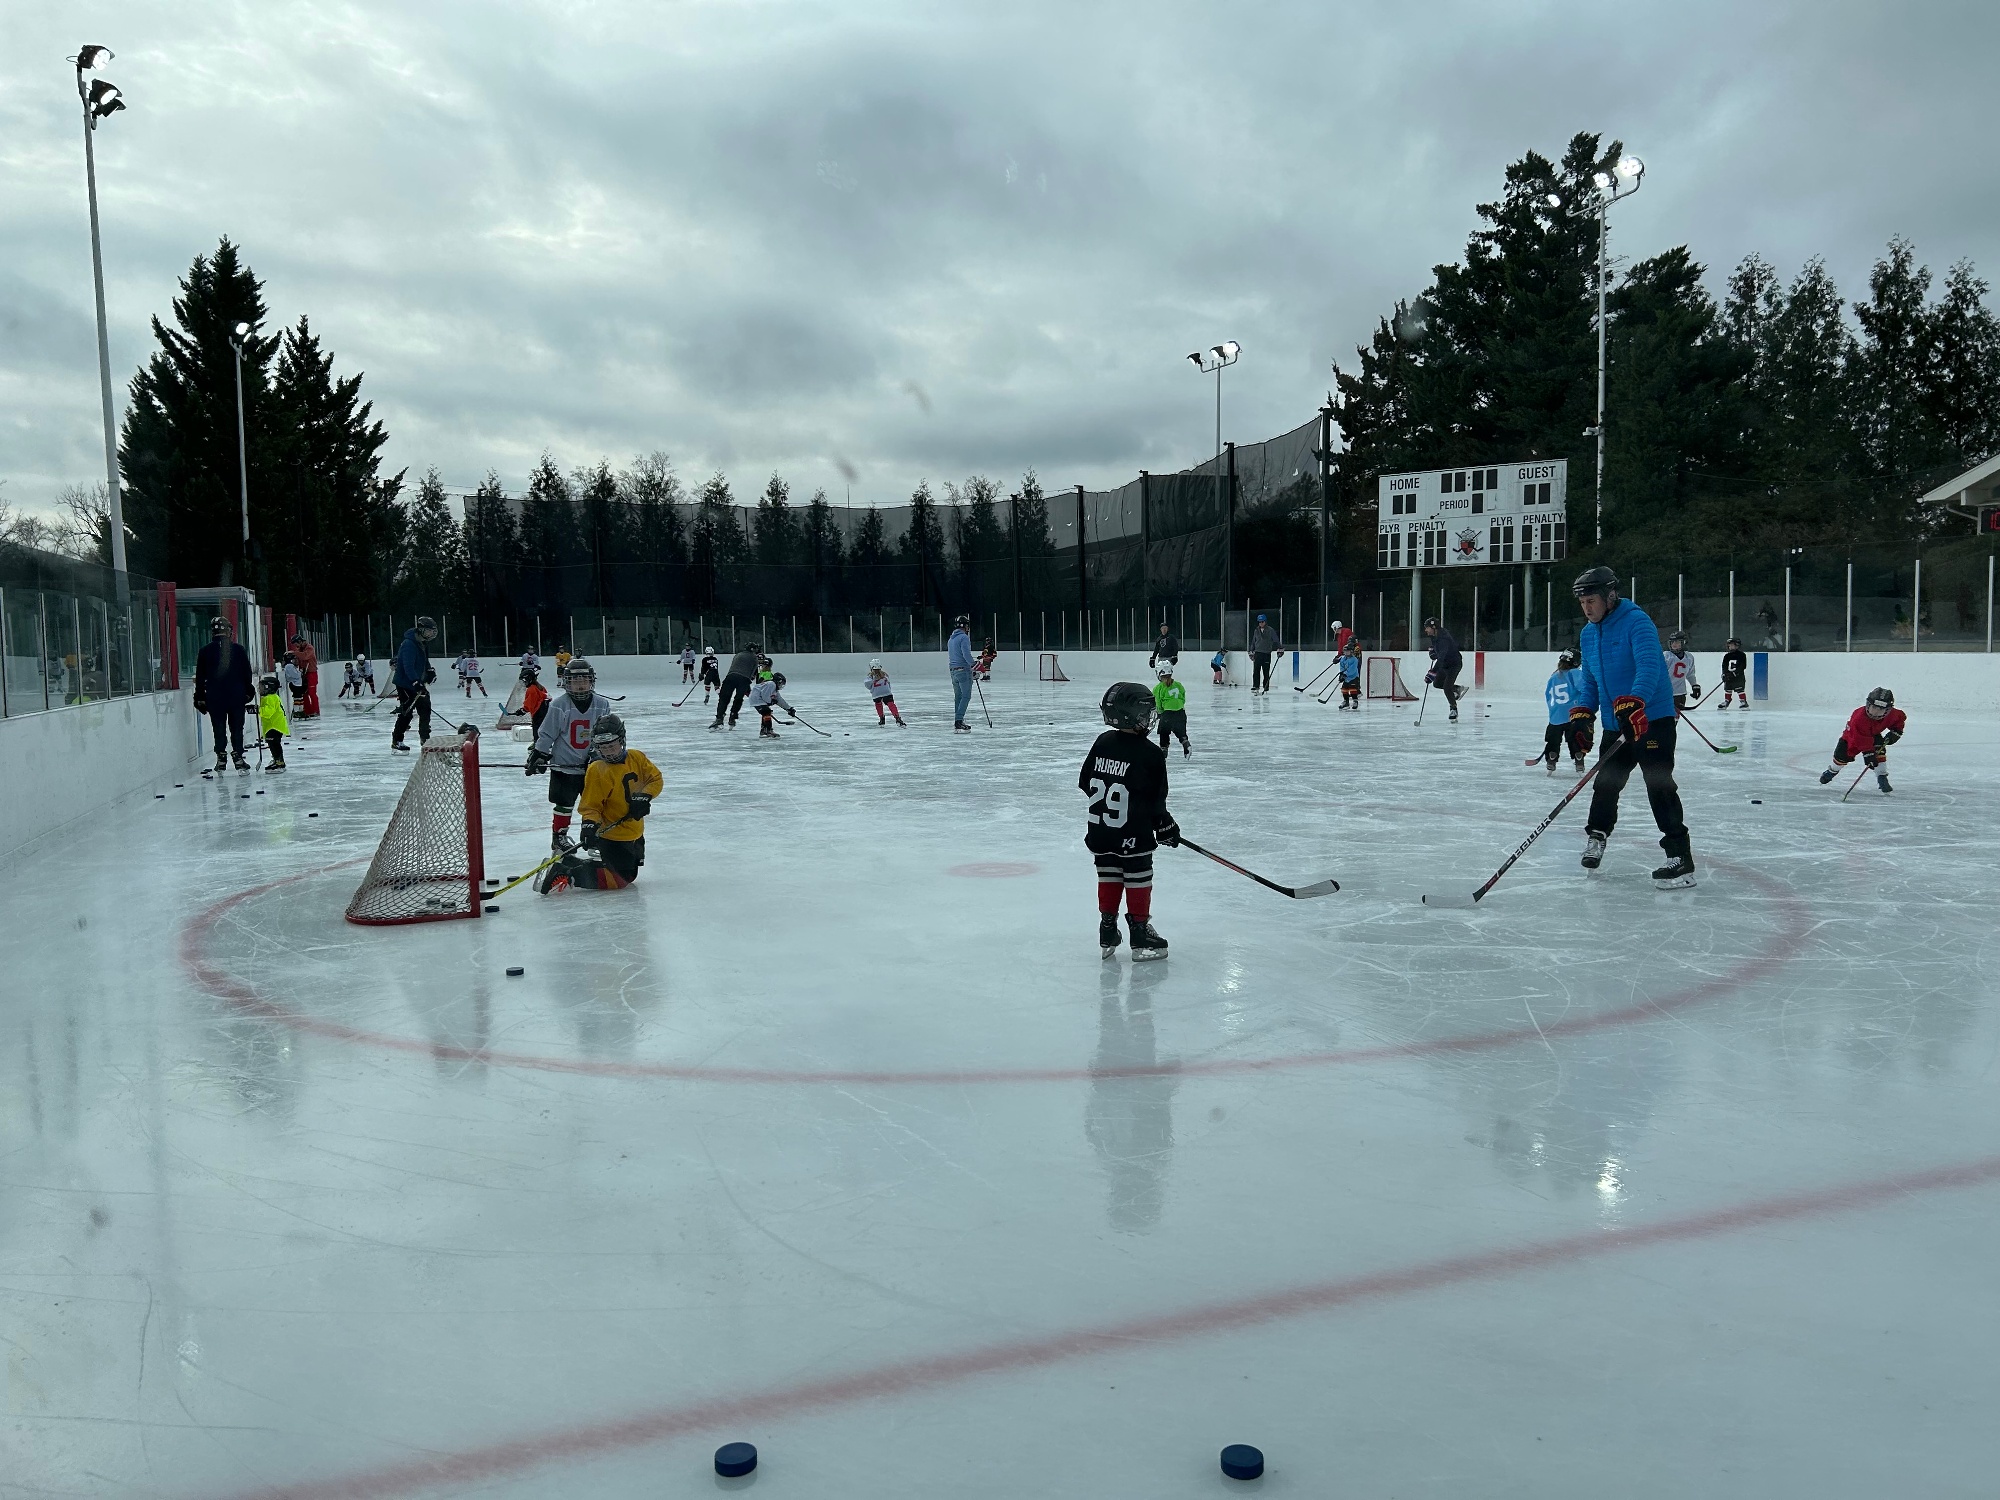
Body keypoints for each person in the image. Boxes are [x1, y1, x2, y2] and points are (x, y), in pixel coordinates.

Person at [1566, 566, 1693, 888]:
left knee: (1659, 785)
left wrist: (1635, 701)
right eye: (1582, 603)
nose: (1587, 608)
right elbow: (1591, 681)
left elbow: (1650, 667)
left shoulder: (1637, 622)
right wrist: (1583, 712)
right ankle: (1597, 836)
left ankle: (1680, 857)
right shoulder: (1588, 633)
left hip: (1652, 719)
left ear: (1610, 597)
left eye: (1591, 601)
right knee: (1606, 784)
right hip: (1616, 721)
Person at [1080, 682, 1177, 960]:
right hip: (1133, 834)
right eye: (1145, 713)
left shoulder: (1102, 742)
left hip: (1100, 831)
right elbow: (1156, 803)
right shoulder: (1150, 753)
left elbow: (1085, 782)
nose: (1149, 718)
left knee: (1108, 873)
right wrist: (1166, 828)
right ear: (1132, 715)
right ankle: (1140, 933)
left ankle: (1107, 929)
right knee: (1138, 876)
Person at [537, 715, 663, 894]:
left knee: (629, 874)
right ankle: (567, 873)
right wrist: (589, 825)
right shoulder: (597, 769)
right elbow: (591, 805)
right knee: (618, 881)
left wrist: (645, 796)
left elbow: (655, 778)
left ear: (622, 740)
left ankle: (570, 862)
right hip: (613, 836)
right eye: (603, 748)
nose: (609, 752)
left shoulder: (636, 757)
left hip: (635, 831)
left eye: (612, 746)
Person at [528, 658, 612, 850]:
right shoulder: (559, 705)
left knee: (594, 804)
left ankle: (593, 837)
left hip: (593, 767)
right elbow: (548, 733)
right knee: (564, 803)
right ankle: (559, 837)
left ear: (591, 681)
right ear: (567, 682)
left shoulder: (601, 705)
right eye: (575, 681)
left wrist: (597, 755)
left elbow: (603, 734)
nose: (580, 685)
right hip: (564, 766)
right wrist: (539, 753)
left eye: (584, 680)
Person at [193, 617, 255, 773]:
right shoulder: (238, 649)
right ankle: (238, 756)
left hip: (215, 696)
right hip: (236, 695)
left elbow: (200, 677)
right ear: (228, 630)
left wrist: (200, 697)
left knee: (218, 727)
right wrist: (249, 691)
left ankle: (221, 757)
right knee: (236, 727)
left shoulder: (205, 651)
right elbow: (246, 674)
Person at [1818, 687, 1905, 795]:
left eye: (1881, 709)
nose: (1876, 712)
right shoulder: (1858, 718)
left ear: (1888, 710)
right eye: (1874, 707)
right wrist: (1868, 754)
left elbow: (1899, 719)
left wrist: (1896, 732)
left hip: (1873, 735)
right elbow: (1860, 739)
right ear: (1868, 704)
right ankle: (1832, 771)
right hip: (1851, 738)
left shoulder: (1893, 714)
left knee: (1879, 752)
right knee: (1841, 758)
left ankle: (1882, 777)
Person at [390, 617, 439, 751]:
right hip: (405, 684)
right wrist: (416, 682)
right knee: (407, 712)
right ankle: (397, 740)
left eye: (432, 631)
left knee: (425, 709)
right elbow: (407, 666)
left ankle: (425, 739)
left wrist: (429, 670)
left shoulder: (422, 643)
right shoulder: (409, 644)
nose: (431, 634)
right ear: (421, 629)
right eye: (429, 631)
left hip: (417, 682)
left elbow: (424, 661)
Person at [1541, 646, 1592, 775]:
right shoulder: (1575, 673)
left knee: (1553, 739)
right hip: (1573, 714)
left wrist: (1554, 711)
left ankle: (1552, 756)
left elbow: (1548, 696)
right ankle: (1578, 756)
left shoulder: (1554, 676)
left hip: (1555, 716)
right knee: (1575, 738)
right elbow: (1584, 689)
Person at [711, 642, 765, 729]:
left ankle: (719, 718)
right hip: (744, 679)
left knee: (724, 698)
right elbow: (753, 674)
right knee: (738, 699)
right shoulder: (754, 658)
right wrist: (748, 687)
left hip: (730, 676)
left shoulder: (738, 655)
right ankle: (732, 716)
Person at [1422, 617, 1463, 722]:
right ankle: (1456, 689)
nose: (1426, 630)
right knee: (1437, 684)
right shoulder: (1434, 635)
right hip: (1445, 665)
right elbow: (1437, 649)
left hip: (1454, 665)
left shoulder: (1444, 638)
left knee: (1447, 687)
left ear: (1434, 627)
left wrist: (1432, 673)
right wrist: (1432, 651)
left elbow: (1441, 657)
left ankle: (1453, 709)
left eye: (1427, 628)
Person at [1152, 663, 1190, 757]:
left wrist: (1160, 713)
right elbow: (1182, 697)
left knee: (1164, 732)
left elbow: (1158, 702)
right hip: (1181, 712)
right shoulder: (1178, 685)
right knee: (1180, 732)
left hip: (1167, 713)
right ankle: (1185, 742)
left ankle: (1164, 750)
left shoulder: (1158, 688)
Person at [256, 671, 290, 773]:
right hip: (272, 725)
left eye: (262, 687)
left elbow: (268, 712)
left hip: (274, 726)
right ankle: (277, 759)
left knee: (274, 744)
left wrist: (258, 710)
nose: (260, 689)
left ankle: (279, 762)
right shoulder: (268, 697)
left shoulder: (270, 698)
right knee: (272, 743)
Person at [948, 614, 976, 732]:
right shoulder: (964, 637)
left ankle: (958, 720)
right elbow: (966, 654)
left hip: (953, 671)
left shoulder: (951, 639)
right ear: (965, 626)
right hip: (963, 670)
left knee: (958, 697)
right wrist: (974, 665)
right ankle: (959, 721)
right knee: (966, 696)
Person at [749, 670, 795, 739]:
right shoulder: (771, 684)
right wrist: (771, 701)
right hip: (757, 699)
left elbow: (780, 700)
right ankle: (769, 731)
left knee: (765, 712)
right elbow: (765, 696)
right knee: (767, 712)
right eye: (781, 683)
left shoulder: (774, 689)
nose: (781, 685)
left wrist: (789, 708)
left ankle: (764, 731)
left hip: (758, 699)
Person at [1663, 629, 1699, 713]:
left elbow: (1690, 674)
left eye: (1677, 642)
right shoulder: (1666, 656)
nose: (1674, 644)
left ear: (1684, 643)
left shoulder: (1688, 657)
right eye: (1672, 642)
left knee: (1675, 720)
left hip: (1680, 693)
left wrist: (1694, 685)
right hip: (1666, 693)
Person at [865, 660, 905, 725]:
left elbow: (867, 684)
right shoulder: (885, 674)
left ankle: (882, 718)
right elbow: (888, 683)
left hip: (876, 693)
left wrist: (872, 689)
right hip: (887, 692)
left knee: (878, 705)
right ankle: (897, 718)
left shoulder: (871, 676)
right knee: (891, 704)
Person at [1248, 613, 1280, 693]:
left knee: (1266, 671)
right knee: (1256, 670)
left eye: (1262, 622)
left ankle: (1266, 686)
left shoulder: (1270, 630)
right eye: (1259, 622)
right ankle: (1256, 686)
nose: (1261, 623)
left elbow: (1276, 640)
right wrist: (1251, 650)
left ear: (1265, 622)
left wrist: (1280, 648)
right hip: (1258, 653)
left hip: (1266, 653)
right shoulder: (1256, 630)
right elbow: (1254, 641)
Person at [289, 635, 320, 717]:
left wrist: (295, 653)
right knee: (304, 693)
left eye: (296, 644)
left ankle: (316, 710)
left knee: (312, 692)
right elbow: (298, 658)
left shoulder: (310, 648)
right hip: (303, 674)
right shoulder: (299, 650)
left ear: (300, 641)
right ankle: (308, 711)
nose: (296, 647)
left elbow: (305, 656)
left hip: (311, 673)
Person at [1717, 637, 1748, 709]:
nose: (1730, 646)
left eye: (1732, 645)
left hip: (1738, 677)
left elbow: (1742, 666)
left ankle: (1743, 701)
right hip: (1729, 676)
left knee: (1740, 689)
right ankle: (1727, 701)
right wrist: (1724, 674)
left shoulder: (1741, 655)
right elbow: (1724, 666)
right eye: (1729, 645)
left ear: (1737, 645)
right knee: (1728, 689)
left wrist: (1735, 673)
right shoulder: (1727, 656)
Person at [1336, 639, 1362, 708]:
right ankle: (1346, 702)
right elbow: (1341, 666)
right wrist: (1341, 674)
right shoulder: (1343, 659)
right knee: (1344, 689)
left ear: (1351, 651)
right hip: (1346, 678)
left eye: (1347, 651)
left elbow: (1352, 670)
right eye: (1345, 651)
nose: (1346, 653)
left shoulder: (1354, 659)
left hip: (1353, 677)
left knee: (1353, 689)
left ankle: (1355, 701)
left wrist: (1345, 674)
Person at [282, 652, 306, 716]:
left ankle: (300, 710)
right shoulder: (289, 666)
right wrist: (300, 673)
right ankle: (296, 711)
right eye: (293, 659)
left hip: (297, 684)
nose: (295, 660)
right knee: (297, 698)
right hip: (294, 684)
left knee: (300, 698)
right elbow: (294, 675)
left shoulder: (291, 666)